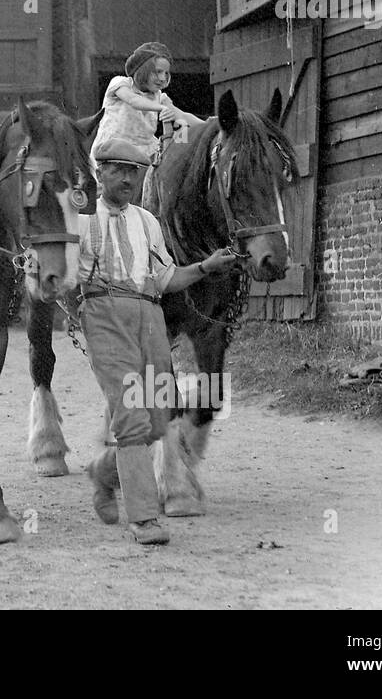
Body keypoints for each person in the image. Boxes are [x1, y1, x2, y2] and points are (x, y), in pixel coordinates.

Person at [79, 137, 241, 545]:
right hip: (106, 316)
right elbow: (58, 275)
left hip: (150, 314)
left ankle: (103, 472)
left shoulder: (148, 223)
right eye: (118, 170)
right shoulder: (79, 220)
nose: (127, 179)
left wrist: (205, 266)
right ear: (100, 173)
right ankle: (144, 518)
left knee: (157, 419)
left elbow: (168, 279)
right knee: (132, 417)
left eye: (134, 172)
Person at [92, 41, 203, 204]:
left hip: (144, 151)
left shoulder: (160, 96)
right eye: (157, 72)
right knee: (104, 191)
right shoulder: (121, 84)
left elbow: (182, 115)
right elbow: (133, 100)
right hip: (114, 148)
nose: (162, 78)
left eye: (166, 73)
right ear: (143, 70)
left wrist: (209, 124)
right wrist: (160, 109)